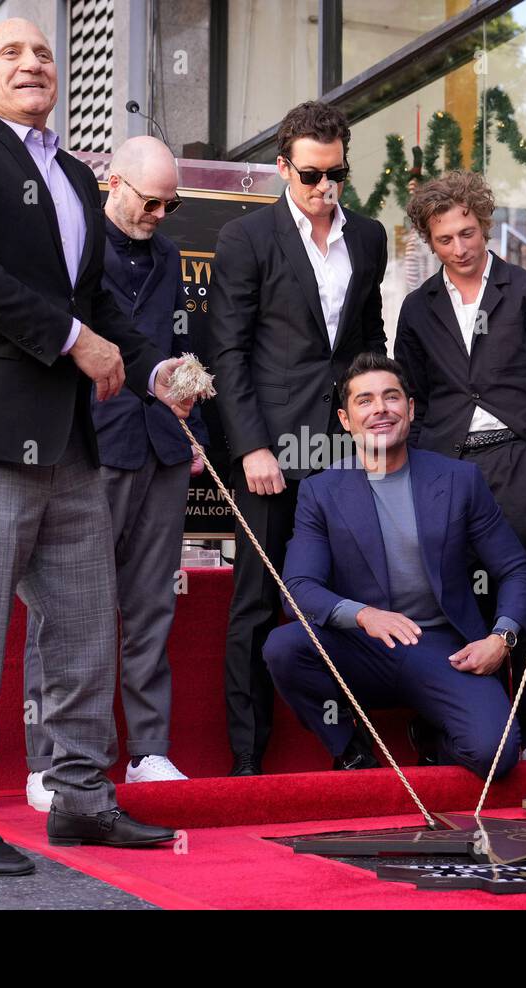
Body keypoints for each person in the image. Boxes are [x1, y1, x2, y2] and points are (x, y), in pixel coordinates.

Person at [0, 17, 198, 876]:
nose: (34, 63)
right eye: (12, 53)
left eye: (44, 53)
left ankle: (80, 798)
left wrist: (155, 373)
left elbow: (103, 311)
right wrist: (76, 341)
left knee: (80, 632)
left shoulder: (73, 174)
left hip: (72, 446)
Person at [22, 135, 207, 809]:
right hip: (89, 447)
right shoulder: (73, 242)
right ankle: (50, 758)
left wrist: (195, 425)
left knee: (152, 607)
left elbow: (178, 346)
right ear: (115, 184)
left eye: (171, 203)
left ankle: (149, 749)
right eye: (151, 201)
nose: (160, 214)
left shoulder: (171, 254)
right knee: (67, 610)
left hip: (162, 447)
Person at [207, 101, 388, 777]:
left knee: (350, 595)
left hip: (345, 452)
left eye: (336, 172)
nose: (324, 188)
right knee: (256, 603)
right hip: (271, 452)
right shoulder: (246, 239)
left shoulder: (368, 238)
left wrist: (377, 430)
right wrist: (250, 445)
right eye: (311, 175)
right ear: (283, 168)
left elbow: (371, 343)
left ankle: (349, 748)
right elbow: (227, 351)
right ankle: (247, 763)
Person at [263, 353, 526, 777]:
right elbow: (297, 585)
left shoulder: (459, 480)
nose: (380, 410)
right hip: (359, 645)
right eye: (365, 401)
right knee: (284, 647)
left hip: (443, 647)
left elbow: (515, 568)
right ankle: (351, 748)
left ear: (410, 408)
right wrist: (364, 616)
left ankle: (432, 732)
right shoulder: (321, 491)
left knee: (494, 757)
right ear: (346, 418)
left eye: (391, 398)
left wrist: (502, 637)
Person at [394, 170, 526, 763]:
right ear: (429, 241)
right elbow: (409, 397)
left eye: (467, 233)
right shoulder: (417, 310)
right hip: (446, 472)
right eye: (445, 239)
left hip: (518, 464)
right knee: (448, 603)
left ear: (484, 223)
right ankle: (456, 734)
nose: (460, 248)